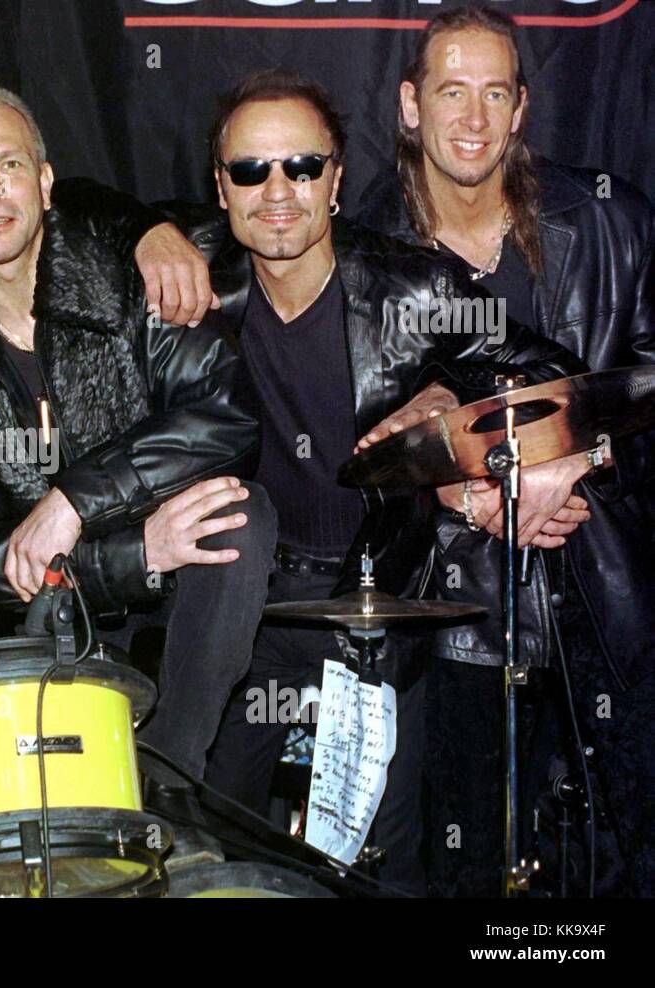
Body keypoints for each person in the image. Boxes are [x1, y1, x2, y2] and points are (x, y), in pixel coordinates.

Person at [196, 68, 583, 895]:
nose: (278, 191)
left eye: (303, 167)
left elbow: (554, 376)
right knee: (211, 843)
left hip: (377, 607)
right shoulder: (196, 289)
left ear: (336, 180)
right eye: (250, 170)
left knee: (386, 865)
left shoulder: (414, 289)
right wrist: (149, 236)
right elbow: (66, 217)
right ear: (220, 190)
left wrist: (457, 421)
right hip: (245, 613)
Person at [0, 81, 277, 820]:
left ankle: (167, 777)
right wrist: (136, 554)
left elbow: (228, 417)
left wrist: (74, 501)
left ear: (45, 182)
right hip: (56, 622)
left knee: (240, 514)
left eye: (8, 165)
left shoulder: (136, 279)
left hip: (189, 606)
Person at [357, 4, 655, 896]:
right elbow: (348, 441)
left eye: (496, 93)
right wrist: (457, 490)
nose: (474, 119)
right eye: (452, 92)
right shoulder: (360, 247)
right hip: (451, 619)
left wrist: (579, 460)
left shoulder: (611, 222)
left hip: (603, 593)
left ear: (522, 108)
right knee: (470, 870)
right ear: (411, 105)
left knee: (611, 868)